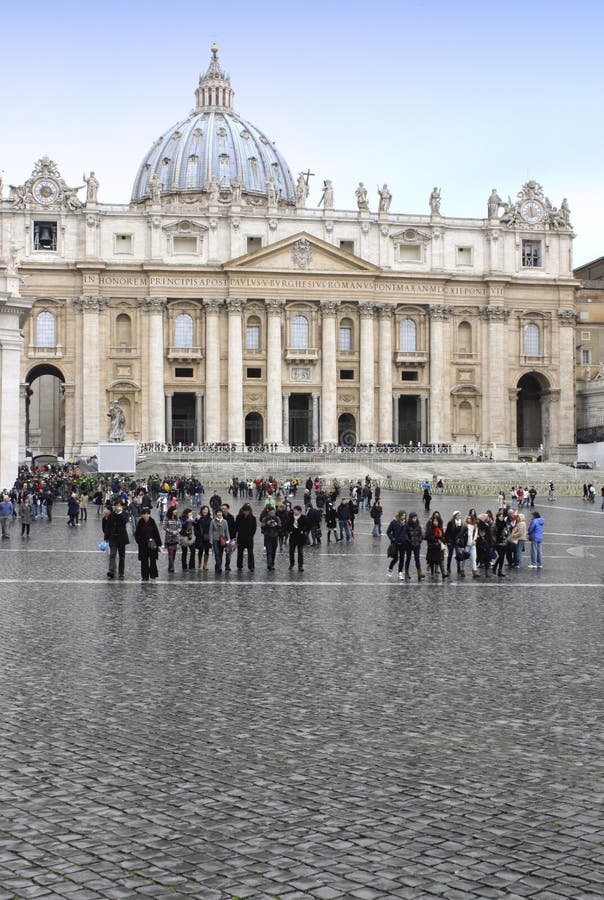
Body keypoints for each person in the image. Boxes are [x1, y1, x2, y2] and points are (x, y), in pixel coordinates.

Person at [104, 498, 130, 580]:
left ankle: (121, 572)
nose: (117, 507)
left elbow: (124, 521)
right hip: (113, 538)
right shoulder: (111, 514)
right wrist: (106, 537)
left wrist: (120, 513)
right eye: (116, 506)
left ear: (121, 507)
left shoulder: (125, 514)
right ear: (114, 506)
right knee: (112, 554)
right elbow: (108, 526)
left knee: (122, 556)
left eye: (119, 506)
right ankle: (111, 571)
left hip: (122, 538)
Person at [134, 507, 162, 581]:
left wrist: (158, 544)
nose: (146, 515)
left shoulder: (152, 521)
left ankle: (153, 575)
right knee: (144, 561)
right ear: (142, 515)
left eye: (147, 514)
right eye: (144, 514)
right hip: (143, 545)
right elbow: (136, 534)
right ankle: (145, 576)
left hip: (152, 545)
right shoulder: (140, 522)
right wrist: (139, 542)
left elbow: (156, 533)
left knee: (153, 560)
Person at [444, 511, 467, 577]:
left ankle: (459, 569)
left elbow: (462, 533)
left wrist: (461, 540)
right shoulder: (450, 523)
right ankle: (448, 567)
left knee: (458, 555)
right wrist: (447, 541)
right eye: (457, 515)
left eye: (459, 515)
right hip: (451, 541)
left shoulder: (461, 523)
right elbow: (447, 533)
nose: (459, 516)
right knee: (450, 555)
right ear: (455, 516)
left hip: (457, 542)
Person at [234, 503, 257, 571]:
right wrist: (236, 536)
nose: (246, 512)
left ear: (250, 511)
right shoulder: (239, 517)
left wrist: (251, 535)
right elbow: (236, 527)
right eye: (245, 511)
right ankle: (239, 565)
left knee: (250, 552)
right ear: (242, 511)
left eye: (248, 511)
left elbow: (254, 528)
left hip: (249, 538)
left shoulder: (253, 518)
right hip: (241, 537)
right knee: (240, 552)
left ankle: (251, 566)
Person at [386, 510, 408, 578]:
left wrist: (407, 539)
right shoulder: (394, 522)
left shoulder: (406, 523)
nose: (403, 517)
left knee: (402, 558)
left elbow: (408, 532)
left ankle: (400, 572)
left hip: (403, 542)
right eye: (402, 515)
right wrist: (392, 538)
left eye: (405, 516)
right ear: (399, 516)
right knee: (395, 558)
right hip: (395, 543)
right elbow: (388, 532)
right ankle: (390, 569)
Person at [425, 512, 446, 579]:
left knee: (440, 560)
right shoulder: (430, 528)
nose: (435, 522)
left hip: (439, 547)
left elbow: (443, 537)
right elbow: (428, 537)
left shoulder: (440, 529)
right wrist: (437, 538)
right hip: (432, 547)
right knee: (432, 561)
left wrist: (442, 540)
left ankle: (443, 573)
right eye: (434, 521)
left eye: (437, 521)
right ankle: (432, 573)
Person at [288, 505, 309, 572]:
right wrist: (289, 531)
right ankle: (292, 563)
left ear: (299, 511)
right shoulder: (291, 517)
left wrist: (303, 530)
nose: (294, 511)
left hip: (300, 536)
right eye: (294, 510)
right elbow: (287, 524)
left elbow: (307, 525)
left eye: (296, 510)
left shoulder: (303, 517)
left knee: (300, 552)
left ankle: (300, 565)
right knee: (291, 551)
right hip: (293, 536)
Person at [405, 512, 424, 580]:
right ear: (410, 518)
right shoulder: (407, 526)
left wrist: (419, 540)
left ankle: (419, 573)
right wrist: (409, 541)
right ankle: (406, 573)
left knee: (417, 559)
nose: (415, 519)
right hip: (409, 545)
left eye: (415, 517)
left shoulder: (418, 525)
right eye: (413, 518)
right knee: (408, 558)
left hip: (417, 545)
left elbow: (421, 534)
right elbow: (405, 535)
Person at [209, 508, 230, 573]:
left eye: (220, 512)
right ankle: (219, 566)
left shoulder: (225, 521)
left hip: (222, 540)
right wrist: (211, 540)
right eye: (218, 512)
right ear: (216, 514)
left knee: (220, 554)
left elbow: (227, 531)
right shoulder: (213, 521)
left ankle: (218, 566)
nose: (219, 513)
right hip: (215, 539)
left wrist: (228, 539)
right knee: (217, 553)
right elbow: (211, 531)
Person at [261, 506, 282, 570]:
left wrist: (276, 525)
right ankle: (269, 564)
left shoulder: (277, 518)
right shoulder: (265, 518)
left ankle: (272, 563)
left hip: (275, 537)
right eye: (271, 512)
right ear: (268, 512)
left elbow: (280, 526)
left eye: (273, 512)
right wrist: (267, 524)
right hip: (268, 536)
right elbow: (262, 527)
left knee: (273, 551)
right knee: (269, 551)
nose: (272, 513)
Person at [493, 510, 511, 577]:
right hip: (498, 543)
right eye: (500, 516)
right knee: (501, 556)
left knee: (502, 557)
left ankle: (499, 570)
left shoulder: (504, 523)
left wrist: (508, 537)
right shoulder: (495, 525)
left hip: (504, 542)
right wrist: (495, 541)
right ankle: (495, 567)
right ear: (497, 517)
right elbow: (493, 534)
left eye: (502, 516)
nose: (501, 517)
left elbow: (507, 531)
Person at [163, 506, 180, 573]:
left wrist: (177, 531)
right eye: (174, 510)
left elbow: (180, 526)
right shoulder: (166, 518)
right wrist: (171, 531)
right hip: (169, 538)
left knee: (174, 553)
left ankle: (170, 566)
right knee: (170, 552)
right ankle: (172, 567)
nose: (176, 511)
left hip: (175, 537)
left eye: (176, 510)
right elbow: (164, 527)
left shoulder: (177, 518)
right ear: (171, 511)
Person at [194, 505, 212, 571]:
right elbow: (195, 526)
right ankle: (199, 562)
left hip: (207, 537)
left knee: (207, 550)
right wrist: (197, 519)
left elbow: (211, 528)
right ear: (201, 510)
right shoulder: (198, 518)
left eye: (206, 510)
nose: (205, 511)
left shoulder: (210, 519)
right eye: (204, 510)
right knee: (200, 550)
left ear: (208, 511)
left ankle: (205, 564)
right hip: (200, 537)